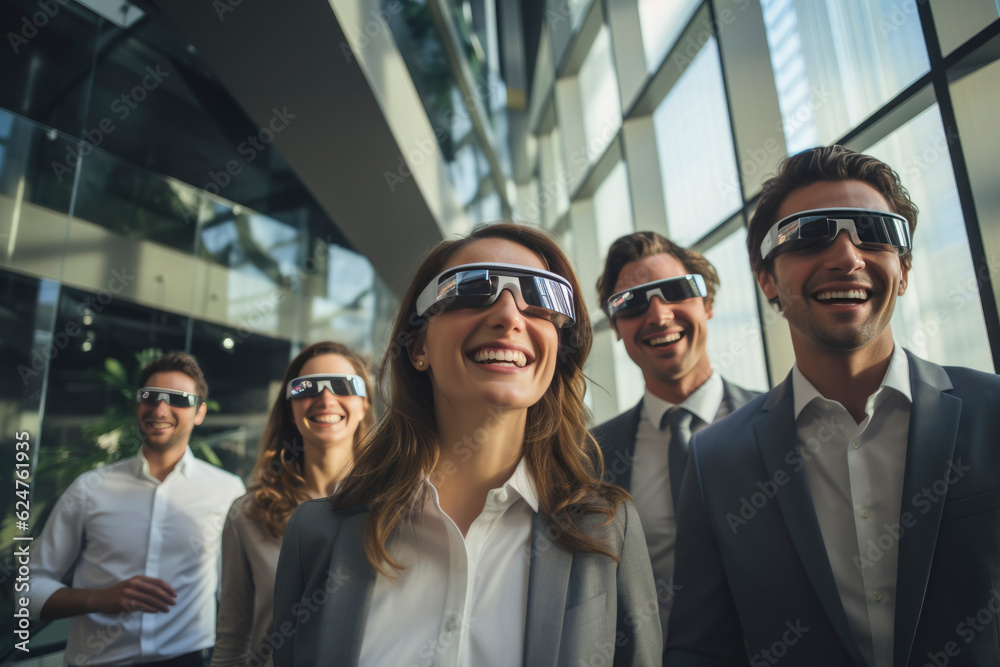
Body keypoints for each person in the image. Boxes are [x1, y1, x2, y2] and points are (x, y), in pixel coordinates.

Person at [664, 145, 1000, 666]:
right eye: (808, 234)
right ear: (767, 278)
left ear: (904, 270)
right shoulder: (715, 461)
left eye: (875, 233)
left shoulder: (994, 411)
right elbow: (701, 649)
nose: (847, 257)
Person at [273, 222, 662, 666]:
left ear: (558, 348)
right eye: (473, 289)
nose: (510, 316)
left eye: (541, 297)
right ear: (417, 344)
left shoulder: (609, 529)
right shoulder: (316, 533)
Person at [591, 232, 760, 642]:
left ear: (709, 304)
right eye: (631, 303)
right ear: (615, 327)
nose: (659, 315)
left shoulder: (780, 424)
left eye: (675, 292)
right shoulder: (590, 458)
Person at [29, 351, 246, 667]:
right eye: (150, 396)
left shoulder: (228, 489)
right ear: (137, 404)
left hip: (189, 660)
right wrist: (99, 598)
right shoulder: (89, 487)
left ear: (199, 413)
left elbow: (235, 594)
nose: (160, 408)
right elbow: (30, 586)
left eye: (178, 399)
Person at [211, 341, 373, 667]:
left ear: (364, 405)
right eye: (306, 387)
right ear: (290, 407)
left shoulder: (398, 503)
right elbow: (232, 637)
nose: (325, 398)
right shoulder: (246, 513)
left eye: (343, 385)